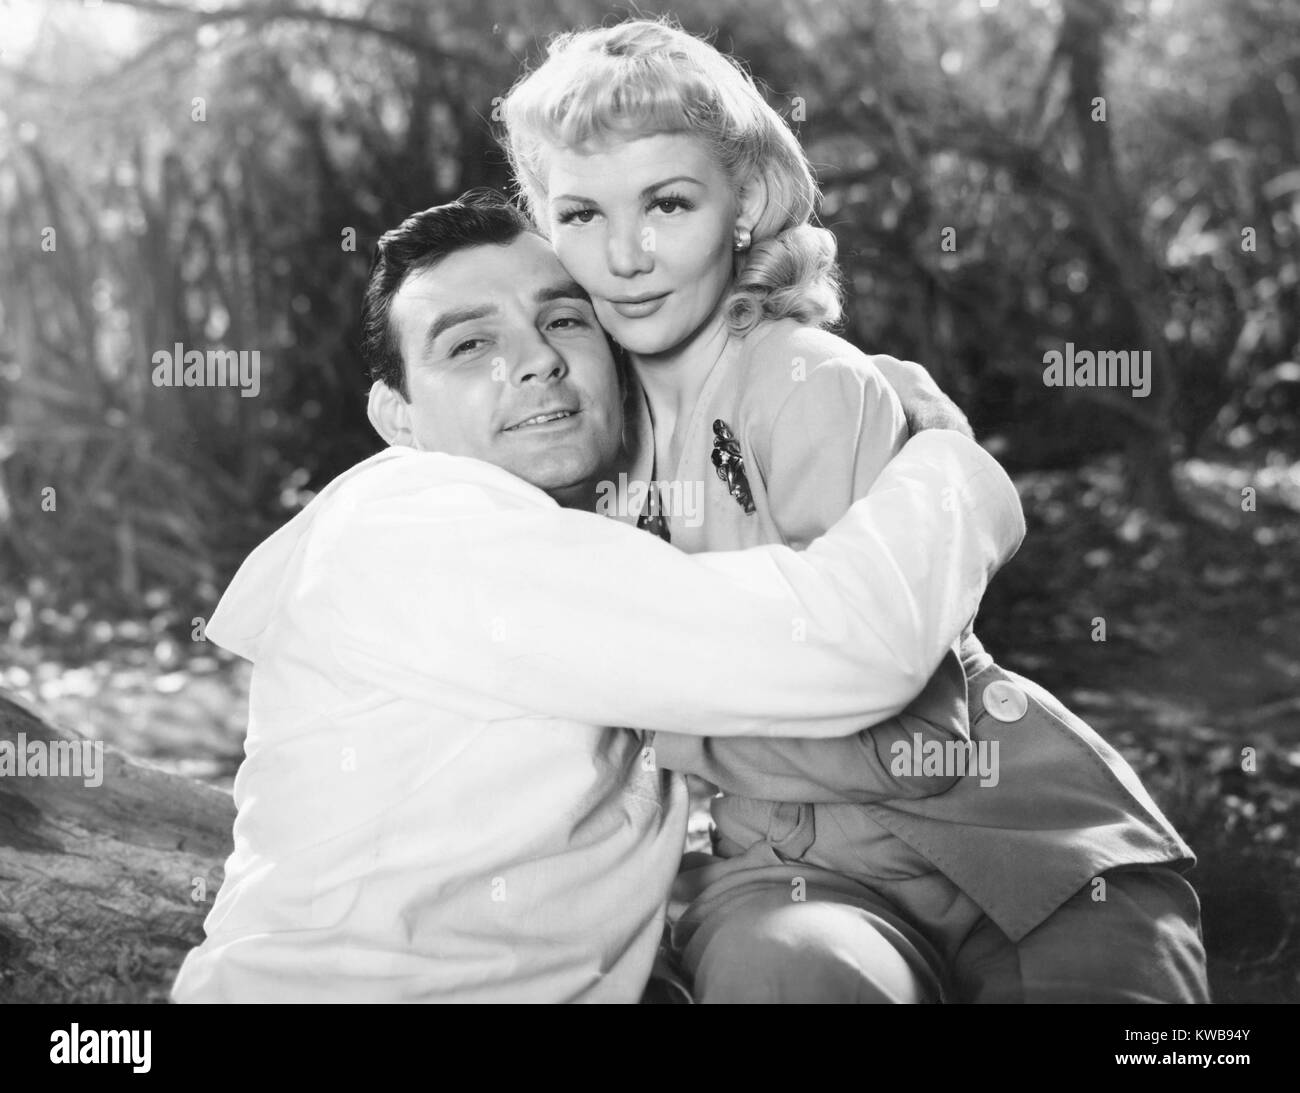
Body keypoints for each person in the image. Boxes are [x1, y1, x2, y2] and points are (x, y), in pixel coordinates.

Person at [500, 18, 1209, 1003]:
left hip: (1007, 834)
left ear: (743, 201)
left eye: (666, 202)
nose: (623, 255)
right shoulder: (579, 433)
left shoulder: (804, 377)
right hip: (787, 868)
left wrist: (623, 713)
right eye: (580, 214)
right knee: (783, 976)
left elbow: (868, 724)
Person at [170, 192, 1024, 1003]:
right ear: (397, 417)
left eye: (563, 319)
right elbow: (851, 647)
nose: (536, 357)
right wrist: (950, 462)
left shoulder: (590, 540)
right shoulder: (419, 527)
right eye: (468, 345)